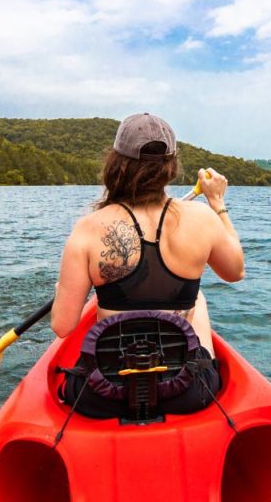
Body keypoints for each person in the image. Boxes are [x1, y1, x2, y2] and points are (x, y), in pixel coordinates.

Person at [51, 112, 244, 415]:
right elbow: (235, 271)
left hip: (103, 394)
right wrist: (218, 205)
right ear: (170, 166)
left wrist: (65, 287)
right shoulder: (203, 219)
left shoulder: (88, 227)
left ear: (116, 163)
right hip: (189, 390)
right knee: (198, 297)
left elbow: (62, 326)